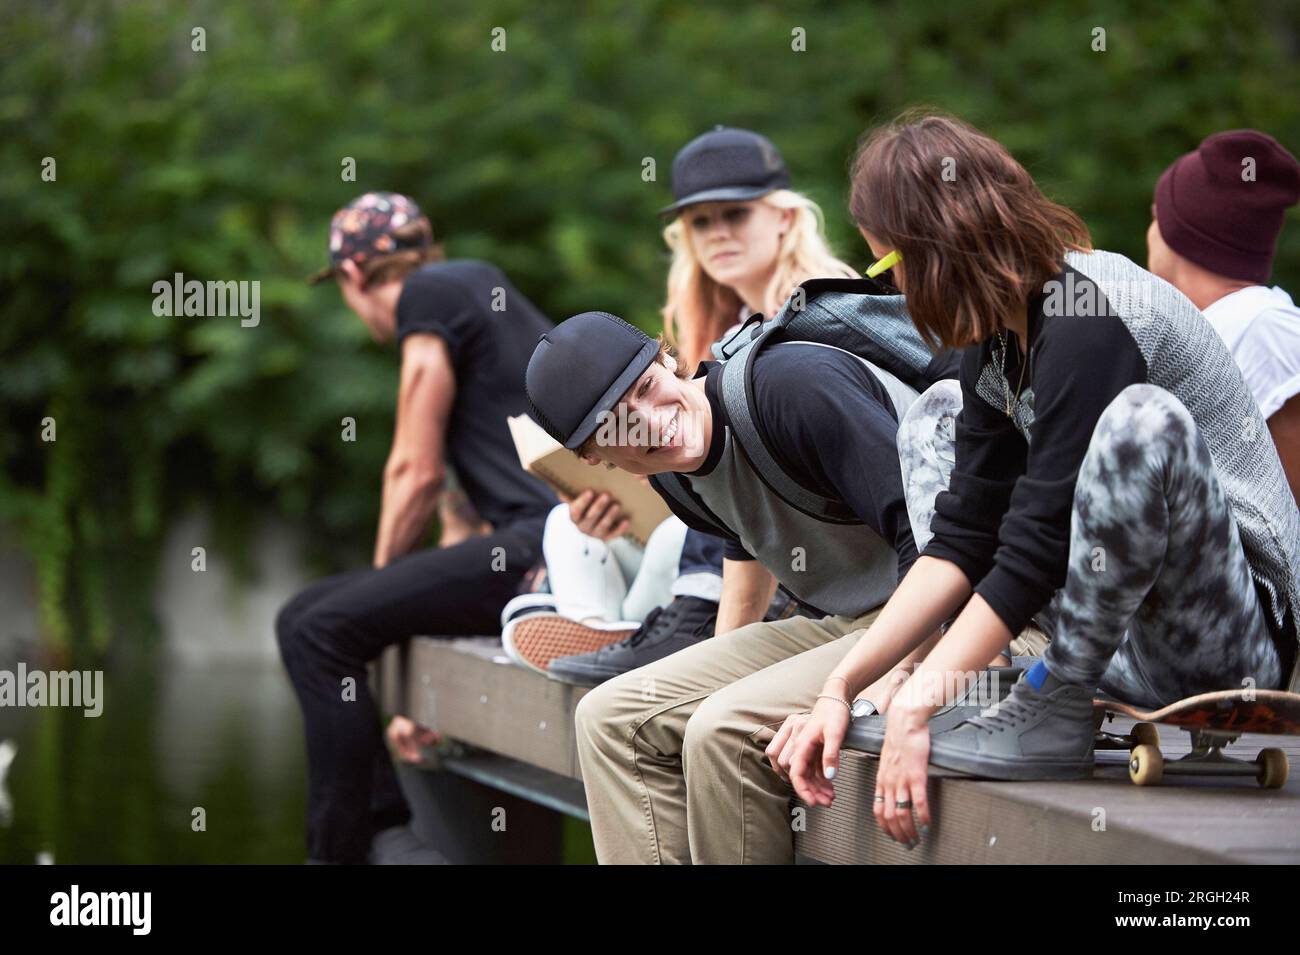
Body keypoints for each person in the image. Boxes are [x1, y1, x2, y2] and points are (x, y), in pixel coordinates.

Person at [777, 111, 1300, 851]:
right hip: (1115, 635)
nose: (889, 283)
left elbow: (1037, 542)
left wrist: (918, 703)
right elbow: (964, 535)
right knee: (934, 413)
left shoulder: (1090, 315)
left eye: (882, 263)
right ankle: (997, 681)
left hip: (1226, 644)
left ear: (931, 247)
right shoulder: (996, 335)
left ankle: (1051, 702)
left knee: (1141, 422)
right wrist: (845, 685)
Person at [523, 291, 1027, 863]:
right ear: (592, 457)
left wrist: (898, 681)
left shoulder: (790, 390)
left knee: (722, 731)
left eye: (644, 388)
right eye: (615, 426)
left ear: (666, 359)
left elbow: (943, 543)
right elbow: (747, 551)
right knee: (609, 719)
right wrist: (703, 681)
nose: (650, 423)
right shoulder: (671, 472)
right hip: (853, 621)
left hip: (979, 614)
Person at [507, 127, 858, 684]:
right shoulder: (700, 327)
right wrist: (617, 488)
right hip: (694, 536)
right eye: (700, 221)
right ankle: (609, 632)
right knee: (567, 526)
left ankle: (650, 636)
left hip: (794, 548)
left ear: (784, 218)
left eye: (735, 214)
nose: (717, 233)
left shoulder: (830, 308)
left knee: (685, 530)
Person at [275, 192, 557, 864]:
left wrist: (374, 598)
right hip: (540, 545)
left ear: (350, 276)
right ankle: (384, 835)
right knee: (309, 615)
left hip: (542, 544)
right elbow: (460, 518)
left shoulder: (427, 296)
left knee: (316, 626)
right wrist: (393, 609)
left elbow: (414, 471)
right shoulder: (478, 292)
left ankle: (349, 847)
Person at [1146, 129, 1300, 502]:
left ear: (1177, 232)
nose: (1148, 233)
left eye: (1154, 216)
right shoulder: (1208, 327)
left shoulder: (1265, 327)